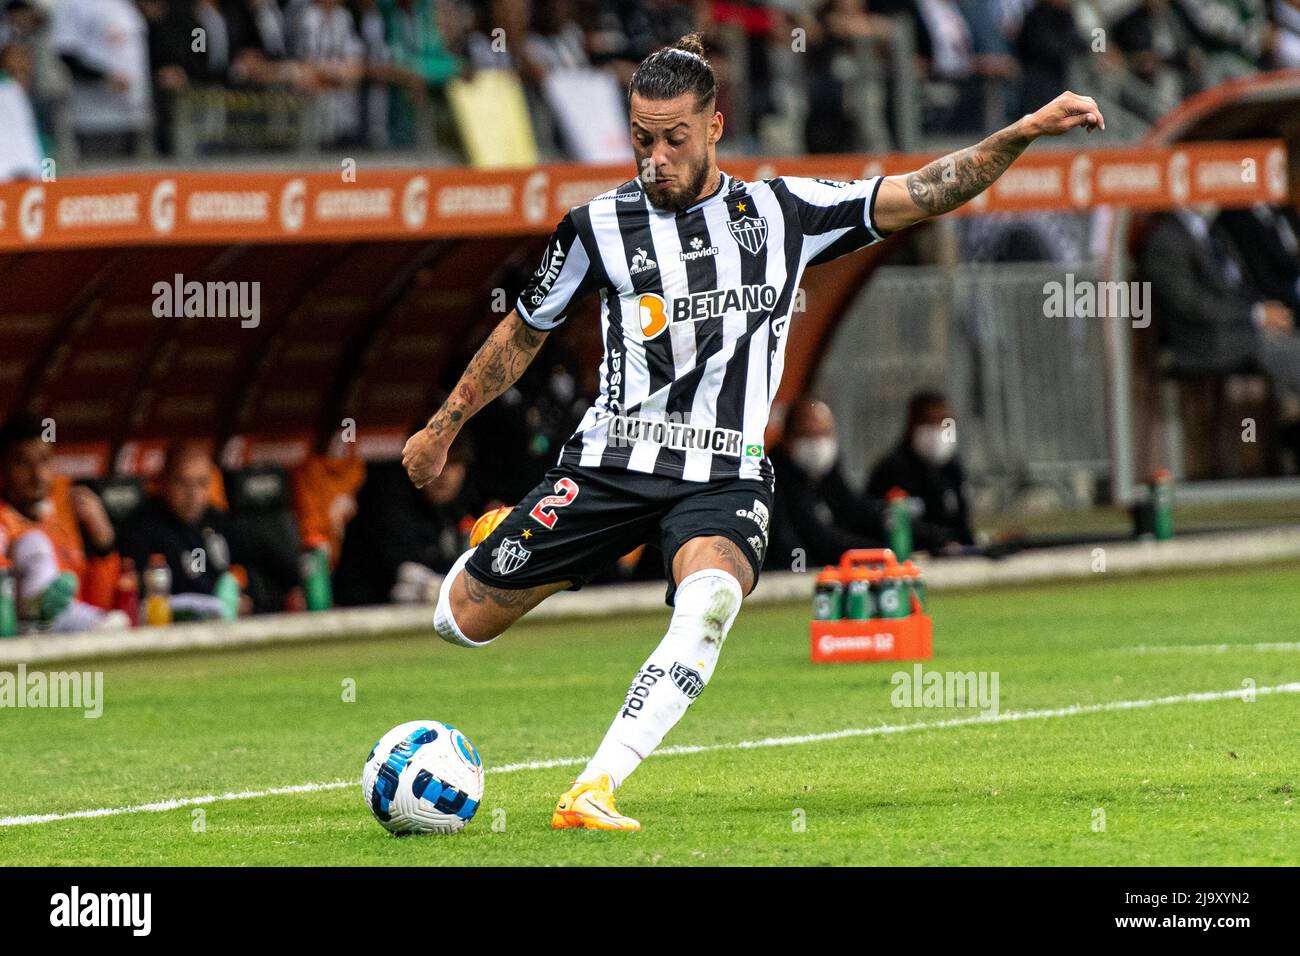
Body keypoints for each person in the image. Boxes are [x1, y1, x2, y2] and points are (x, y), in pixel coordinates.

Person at [401, 32, 1105, 831]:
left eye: (674, 140)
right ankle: (502, 532)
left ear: (714, 127)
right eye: (641, 141)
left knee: (710, 601)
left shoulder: (780, 213)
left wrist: (1020, 131)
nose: (655, 159)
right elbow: (524, 330)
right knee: (459, 621)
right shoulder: (594, 228)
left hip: (725, 471)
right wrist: (442, 427)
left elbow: (925, 191)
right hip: (612, 460)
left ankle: (594, 786)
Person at [0, 415, 119, 632]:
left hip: (77, 629)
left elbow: (100, 602)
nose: (37, 475)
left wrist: (104, 547)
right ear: (3, 467)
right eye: (23, 463)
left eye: (44, 460)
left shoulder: (65, 510)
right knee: (33, 542)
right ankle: (42, 609)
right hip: (22, 634)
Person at [333, 439, 480, 607]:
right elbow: (406, 570)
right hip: (361, 609)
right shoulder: (387, 501)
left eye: (453, 463)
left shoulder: (462, 507)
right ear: (413, 463)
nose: (443, 473)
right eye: (434, 462)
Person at [118, 441, 246, 619]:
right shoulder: (142, 528)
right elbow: (143, 599)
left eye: (201, 483)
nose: (193, 494)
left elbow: (247, 565)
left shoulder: (218, 520)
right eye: (183, 482)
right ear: (165, 482)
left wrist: (244, 598)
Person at [768, 398, 886, 569]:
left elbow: (855, 509)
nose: (818, 444)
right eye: (808, 435)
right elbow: (815, 536)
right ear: (786, 438)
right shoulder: (772, 478)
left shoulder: (828, 471)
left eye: (824, 433)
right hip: (785, 573)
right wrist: (880, 553)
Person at [867, 391, 975, 553]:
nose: (938, 431)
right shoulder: (892, 470)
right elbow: (883, 521)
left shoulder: (952, 468)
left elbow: (962, 522)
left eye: (945, 423)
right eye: (930, 423)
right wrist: (940, 539)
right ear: (912, 426)